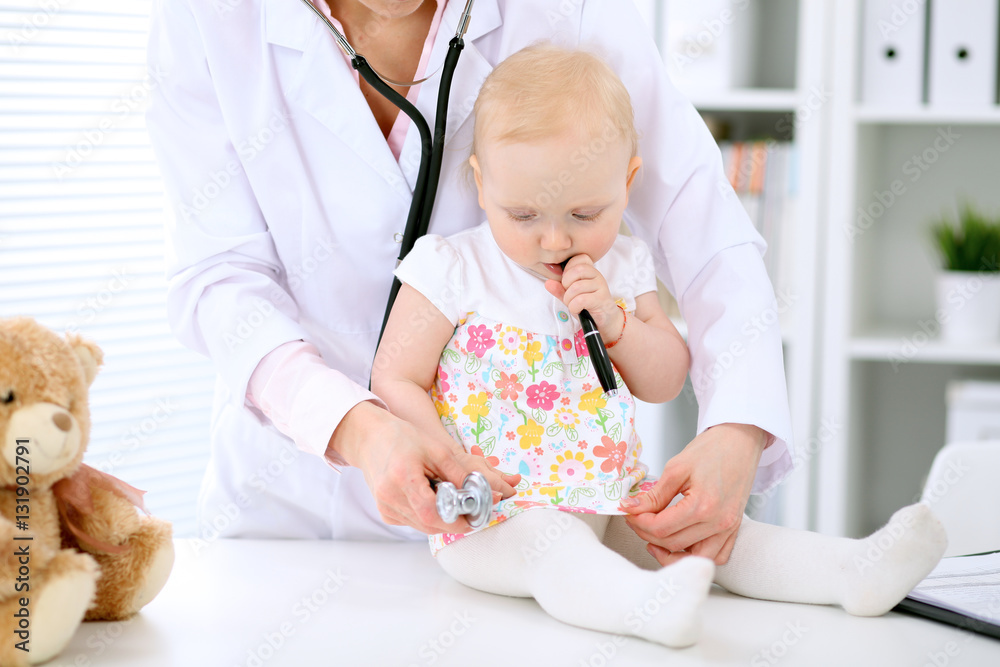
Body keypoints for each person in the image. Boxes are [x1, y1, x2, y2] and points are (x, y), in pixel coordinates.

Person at [146, 0, 790, 556]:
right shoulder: (209, 19)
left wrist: (738, 422)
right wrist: (355, 426)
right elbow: (219, 276)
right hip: (292, 509)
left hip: (531, 516)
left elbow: (699, 218)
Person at [371, 43, 948, 648]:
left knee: (711, 537)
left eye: (585, 211)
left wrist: (618, 325)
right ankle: (642, 607)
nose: (555, 238)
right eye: (523, 215)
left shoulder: (623, 265)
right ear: (481, 185)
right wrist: (444, 457)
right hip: (491, 518)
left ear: (627, 183)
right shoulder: (453, 268)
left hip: (609, 496)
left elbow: (666, 378)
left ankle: (853, 572)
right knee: (553, 544)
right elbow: (394, 377)